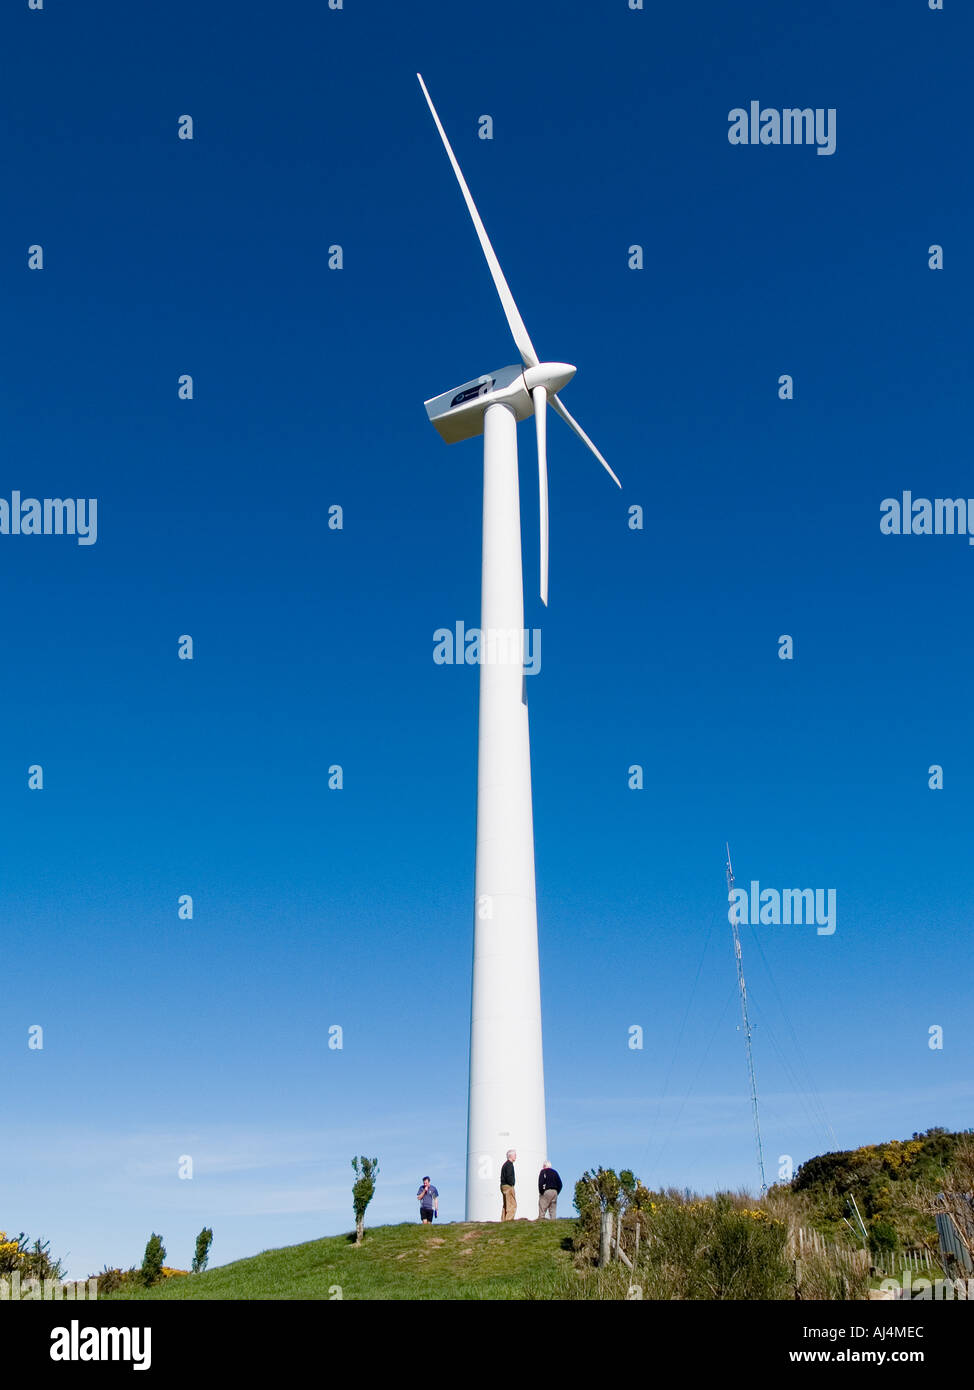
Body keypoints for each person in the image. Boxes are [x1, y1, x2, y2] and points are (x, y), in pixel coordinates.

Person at [500, 1149, 517, 1221]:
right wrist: (512, 1184)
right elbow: (509, 1176)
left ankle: (504, 1219)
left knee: (506, 1204)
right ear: (510, 1156)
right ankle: (508, 1220)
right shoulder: (509, 1165)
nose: (516, 1156)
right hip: (508, 1186)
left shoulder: (505, 1164)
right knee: (512, 1204)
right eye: (515, 1155)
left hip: (503, 1185)